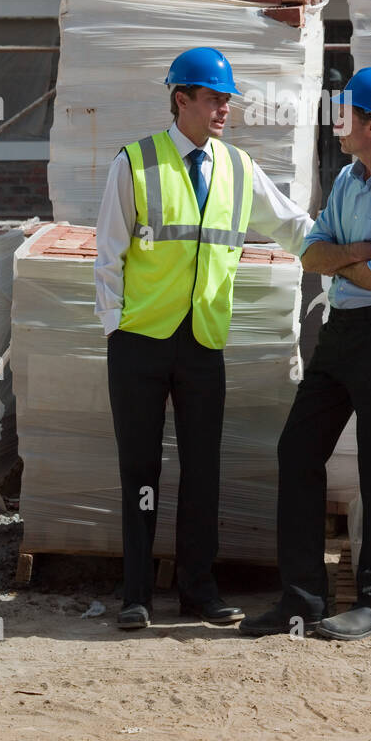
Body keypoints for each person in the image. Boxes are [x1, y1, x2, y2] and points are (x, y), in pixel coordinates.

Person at [95, 46, 314, 630]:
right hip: (139, 342)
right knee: (141, 473)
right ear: (180, 99)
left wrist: (348, 247)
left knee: (202, 472)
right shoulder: (136, 162)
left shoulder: (239, 169)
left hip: (202, 344)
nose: (224, 110)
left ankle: (198, 591)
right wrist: (115, 326)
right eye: (214, 99)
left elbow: (291, 225)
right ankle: (136, 595)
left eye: (227, 100)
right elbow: (109, 254)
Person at [241, 67, 371, 641]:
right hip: (339, 332)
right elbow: (310, 254)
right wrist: (357, 251)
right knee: (297, 451)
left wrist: (347, 256)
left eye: (346, 113)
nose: (337, 123)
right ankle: (302, 599)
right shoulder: (347, 181)